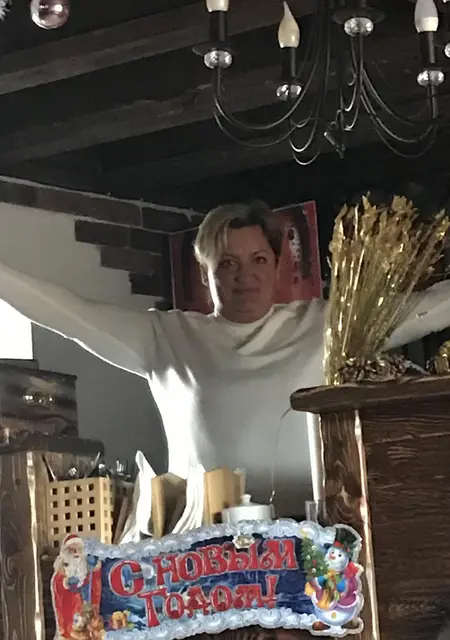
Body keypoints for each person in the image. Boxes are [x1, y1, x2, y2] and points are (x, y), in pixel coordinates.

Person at [0, 200, 449, 515]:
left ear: (278, 265)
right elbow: (67, 312)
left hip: (315, 537)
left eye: (258, 260)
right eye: (228, 263)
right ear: (206, 272)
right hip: (203, 551)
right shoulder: (165, 337)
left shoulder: (327, 324)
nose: (245, 276)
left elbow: (429, 309)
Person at [51, 533, 102, 639]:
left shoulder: (86, 569)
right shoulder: (62, 571)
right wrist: (66, 583)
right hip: (70, 616)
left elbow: (95, 586)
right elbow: (58, 586)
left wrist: (94, 568)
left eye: (78, 549)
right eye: (72, 549)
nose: (75, 552)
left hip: (87, 614)